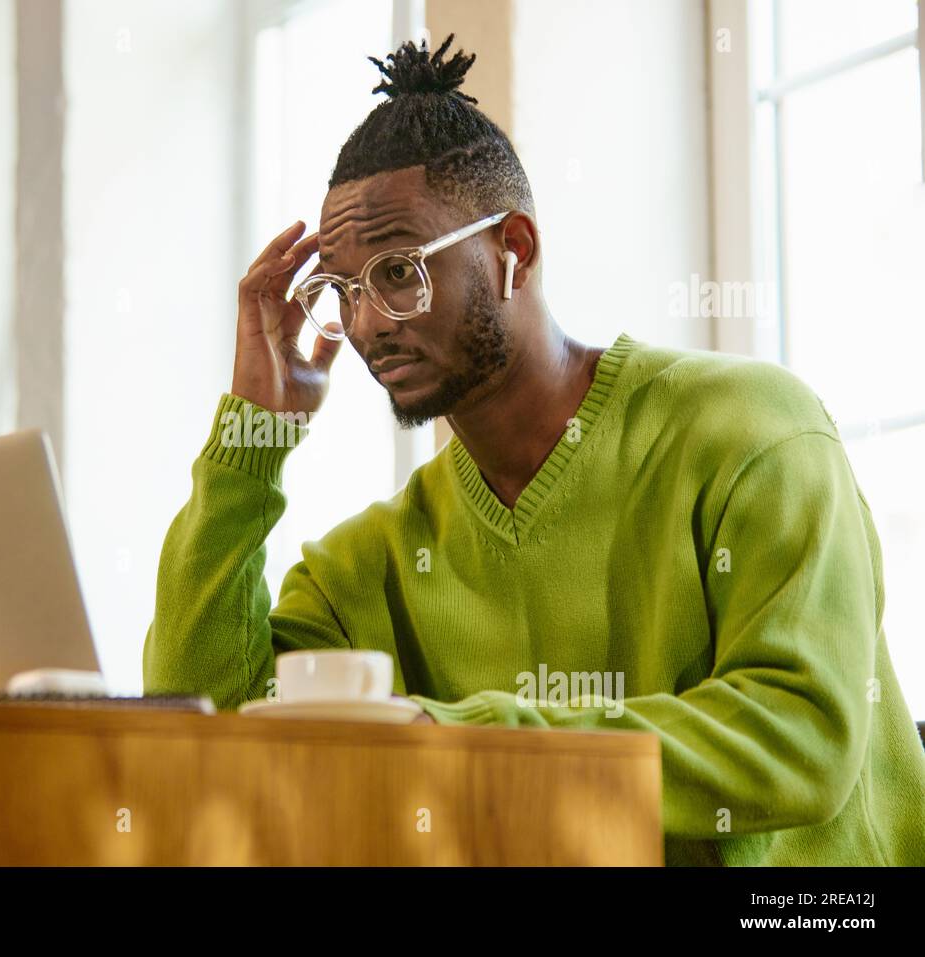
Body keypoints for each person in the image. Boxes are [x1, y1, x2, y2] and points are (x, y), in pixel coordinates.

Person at [142, 34, 925, 866]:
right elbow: (205, 739)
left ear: (514, 251)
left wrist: (453, 741)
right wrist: (251, 439)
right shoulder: (364, 569)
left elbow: (802, 739)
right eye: (340, 289)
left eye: (398, 272)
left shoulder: (750, 429)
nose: (367, 324)